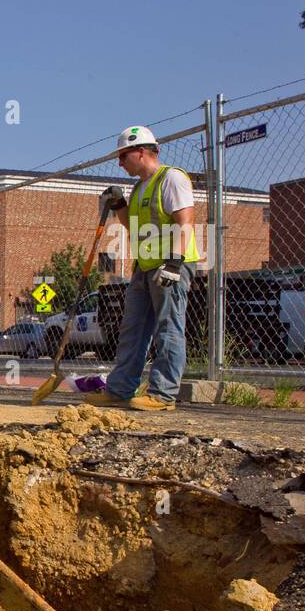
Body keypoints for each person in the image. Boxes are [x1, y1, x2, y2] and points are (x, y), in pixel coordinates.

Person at [85, 125, 200, 412]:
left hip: (171, 265)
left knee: (168, 328)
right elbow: (131, 227)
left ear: (141, 152)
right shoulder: (138, 188)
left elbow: (185, 221)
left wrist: (174, 262)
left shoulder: (171, 178)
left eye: (123, 156)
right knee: (133, 329)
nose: (119, 162)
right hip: (145, 267)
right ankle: (120, 389)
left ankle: (163, 394)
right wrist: (119, 204)